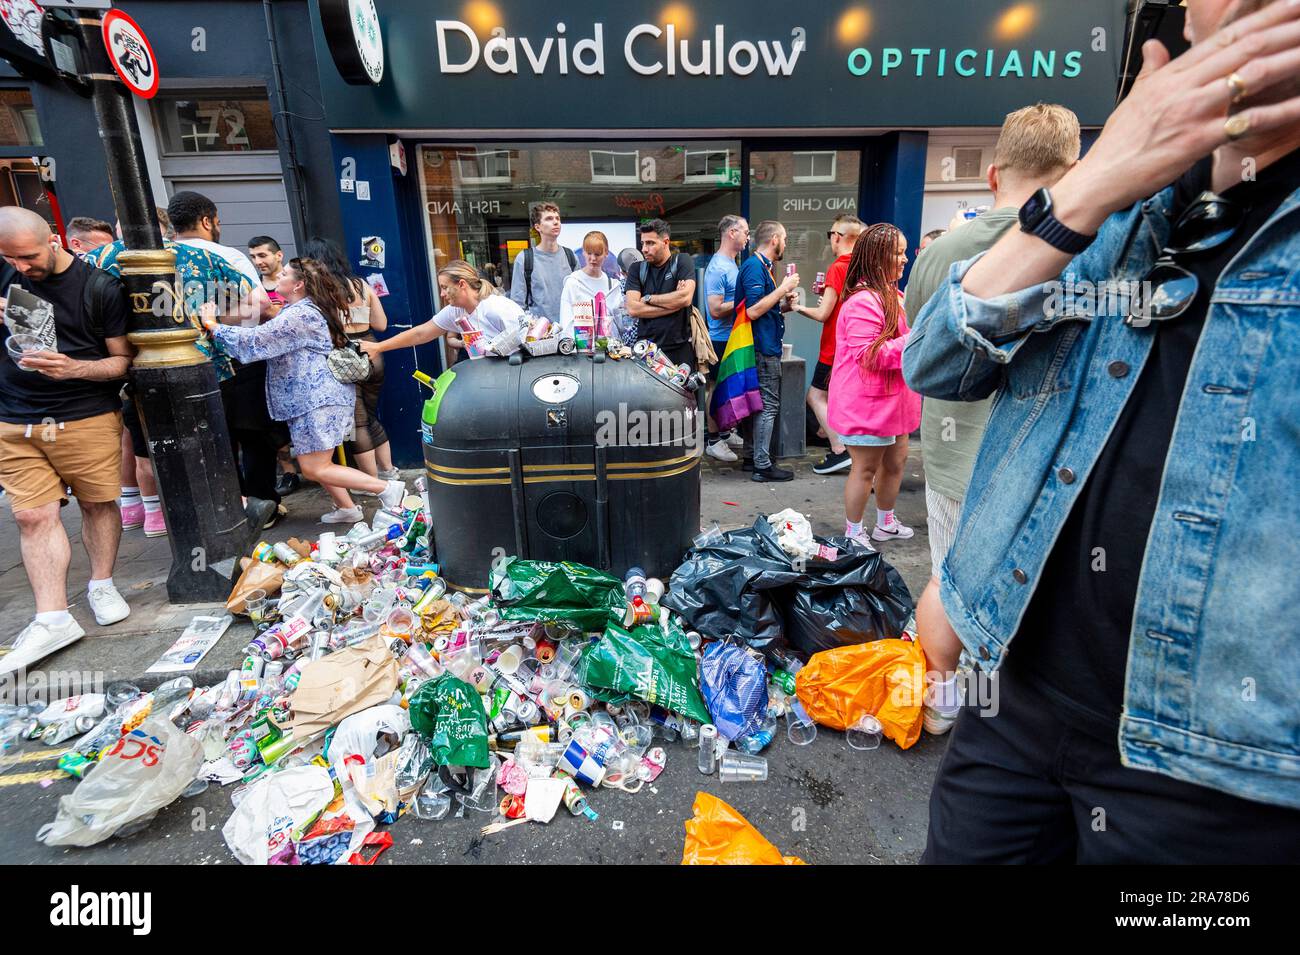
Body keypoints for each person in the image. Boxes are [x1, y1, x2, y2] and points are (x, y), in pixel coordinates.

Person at [903, 0, 1300, 863]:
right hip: (1017, 701)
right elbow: (936, 359)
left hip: (1217, 772)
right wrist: (1093, 180)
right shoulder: (1120, 210)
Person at [902, 103, 1081, 736]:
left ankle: (949, 703)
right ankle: (1015, 713)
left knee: (953, 585)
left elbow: (919, 351)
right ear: (1073, 167)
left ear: (994, 173)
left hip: (959, 458)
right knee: (1045, 597)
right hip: (1060, 462)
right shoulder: (1099, 240)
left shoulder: (943, 251)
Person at [0, 207, 133, 676]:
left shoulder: (100, 287)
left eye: (29, 256)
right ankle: (52, 616)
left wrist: (73, 367)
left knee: (98, 503)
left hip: (84, 413)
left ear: (56, 240)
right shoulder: (6, 275)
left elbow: (121, 363)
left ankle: (101, 582)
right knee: (31, 514)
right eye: (10, 258)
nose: (21, 267)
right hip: (14, 418)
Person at [202, 257, 406, 520]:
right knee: (319, 463)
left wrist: (213, 325)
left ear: (298, 284)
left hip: (316, 400)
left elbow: (256, 341)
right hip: (313, 399)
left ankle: (387, 488)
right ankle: (347, 509)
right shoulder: (301, 309)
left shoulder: (301, 314)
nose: (279, 276)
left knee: (313, 466)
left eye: (284, 273)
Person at [166, 191, 283, 521]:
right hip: (232, 360)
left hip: (178, 366)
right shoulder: (222, 255)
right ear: (206, 221)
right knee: (254, 434)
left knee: (212, 440)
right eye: (217, 221)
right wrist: (213, 321)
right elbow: (259, 305)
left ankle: (229, 508)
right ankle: (263, 505)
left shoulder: (155, 256)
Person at [827, 223, 918, 545]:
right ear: (878, 258)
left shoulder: (893, 294)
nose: (905, 259)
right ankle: (854, 532)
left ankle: (885, 523)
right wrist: (916, 341)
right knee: (865, 470)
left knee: (896, 463)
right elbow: (870, 355)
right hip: (867, 404)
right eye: (899, 252)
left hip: (893, 402)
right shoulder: (864, 301)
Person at [302, 237, 399, 496]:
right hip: (372, 353)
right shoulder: (361, 285)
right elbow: (381, 324)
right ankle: (388, 470)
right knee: (370, 415)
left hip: (345, 359)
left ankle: (371, 483)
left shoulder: (321, 291)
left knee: (357, 424)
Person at [791, 213, 865, 475]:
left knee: (815, 396)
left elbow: (823, 314)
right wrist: (827, 293)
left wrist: (796, 306)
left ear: (837, 237)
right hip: (855, 345)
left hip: (834, 347)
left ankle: (839, 450)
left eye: (830, 235)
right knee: (841, 400)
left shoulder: (838, 266)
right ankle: (853, 449)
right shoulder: (864, 265)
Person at [362, 259, 526, 362]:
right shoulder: (456, 310)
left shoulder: (496, 308)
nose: (442, 294)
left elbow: (526, 346)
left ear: (462, 284)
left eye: (445, 288)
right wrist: (378, 347)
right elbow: (421, 333)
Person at [736, 220, 800, 482]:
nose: (785, 243)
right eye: (784, 238)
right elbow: (752, 311)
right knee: (768, 404)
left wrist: (783, 306)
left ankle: (752, 456)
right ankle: (762, 464)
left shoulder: (762, 267)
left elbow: (763, 309)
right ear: (774, 239)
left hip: (763, 344)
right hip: (762, 348)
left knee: (757, 403)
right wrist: (783, 289)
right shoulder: (754, 267)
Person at [701, 214, 749, 463]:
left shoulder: (732, 262)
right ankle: (713, 441)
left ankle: (725, 431)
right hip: (720, 338)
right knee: (716, 389)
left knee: (730, 389)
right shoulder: (718, 266)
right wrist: (746, 301)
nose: (747, 237)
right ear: (731, 233)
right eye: (745, 231)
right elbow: (715, 309)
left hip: (734, 336)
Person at [623, 219, 698, 370]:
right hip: (646, 351)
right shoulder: (636, 269)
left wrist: (648, 298)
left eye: (650, 243)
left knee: (682, 394)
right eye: (643, 243)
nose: (644, 249)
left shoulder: (682, 261)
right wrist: (673, 305)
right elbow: (633, 309)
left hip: (679, 350)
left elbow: (685, 297)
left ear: (665, 242)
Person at [508, 202, 576, 322]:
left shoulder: (570, 256)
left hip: (569, 330)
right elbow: (518, 304)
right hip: (540, 334)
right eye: (549, 219)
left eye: (557, 218)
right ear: (537, 227)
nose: (555, 222)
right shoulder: (525, 258)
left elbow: (579, 296)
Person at [559, 230, 624, 338]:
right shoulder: (573, 283)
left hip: (610, 349)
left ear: (606, 253)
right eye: (589, 253)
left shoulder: (613, 285)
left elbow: (620, 325)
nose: (593, 259)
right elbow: (566, 323)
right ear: (583, 252)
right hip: (581, 347)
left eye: (597, 254)